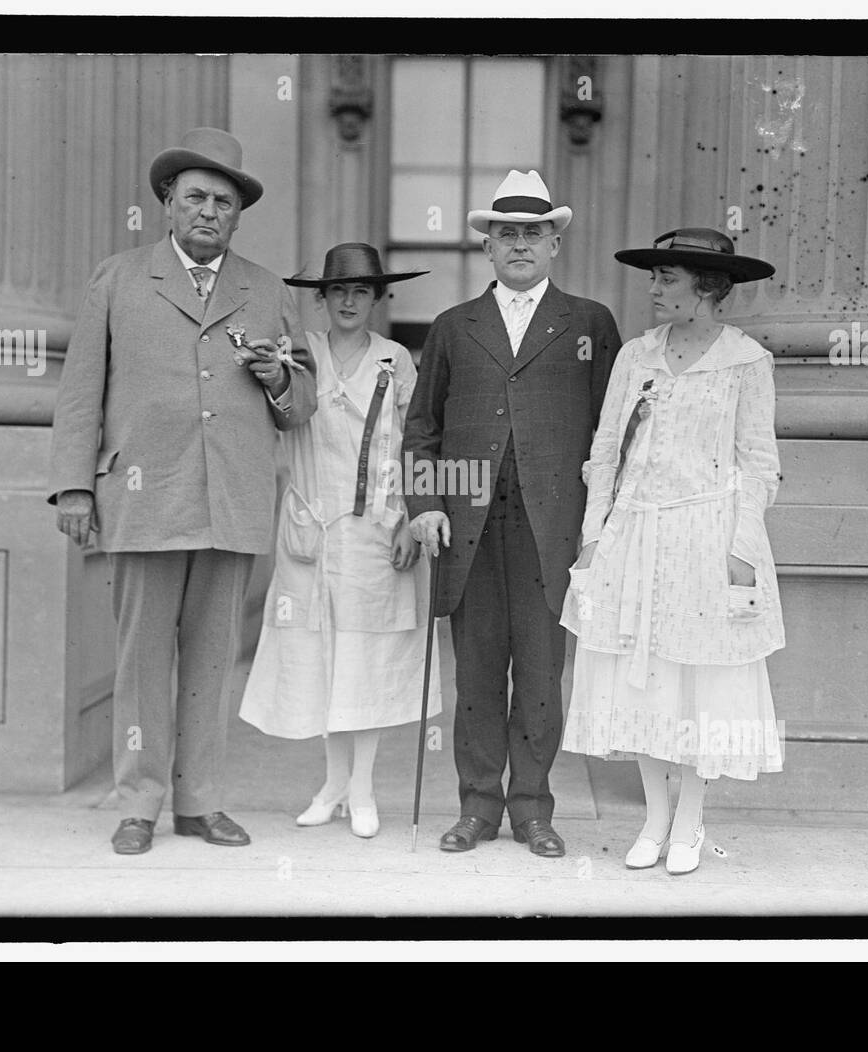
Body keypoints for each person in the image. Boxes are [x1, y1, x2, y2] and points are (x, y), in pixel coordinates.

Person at [48, 127, 317, 855]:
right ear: (167, 205)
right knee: (141, 662)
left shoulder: (264, 289)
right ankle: (139, 803)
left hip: (230, 499)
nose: (208, 211)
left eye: (223, 202)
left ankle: (199, 804)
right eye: (195, 197)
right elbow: (80, 394)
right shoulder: (118, 278)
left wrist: (277, 378)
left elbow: (301, 407)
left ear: (238, 215)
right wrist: (75, 488)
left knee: (211, 660)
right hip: (142, 498)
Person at [405, 170, 621, 857]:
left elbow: (611, 434)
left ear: (555, 243)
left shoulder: (588, 324)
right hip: (469, 527)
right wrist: (424, 504)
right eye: (506, 233)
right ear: (488, 248)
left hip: (550, 526)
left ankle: (533, 807)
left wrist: (602, 527)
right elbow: (421, 430)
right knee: (475, 670)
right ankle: (477, 808)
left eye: (533, 232)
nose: (520, 244)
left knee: (538, 670)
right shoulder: (452, 327)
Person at [560, 228, 785, 875]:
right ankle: (654, 817)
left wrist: (741, 548)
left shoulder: (745, 361)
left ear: (708, 287)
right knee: (643, 683)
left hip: (706, 538)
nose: (654, 289)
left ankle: (689, 820)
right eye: (653, 277)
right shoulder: (637, 356)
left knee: (699, 685)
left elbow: (759, 464)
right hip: (634, 538)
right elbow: (604, 452)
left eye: (668, 279)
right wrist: (595, 537)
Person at [239, 243, 440, 839]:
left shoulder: (396, 359)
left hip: (378, 531)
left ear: (378, 298)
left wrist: (411, 517)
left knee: (367, 658)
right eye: (338, 292)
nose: (349, 301)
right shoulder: (301, 351)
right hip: (310, 525)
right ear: (321, 299)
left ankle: (363, 788)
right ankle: (331, 784)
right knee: (321, 657)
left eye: (361, 292)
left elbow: (419, 441)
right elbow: (280, 412)